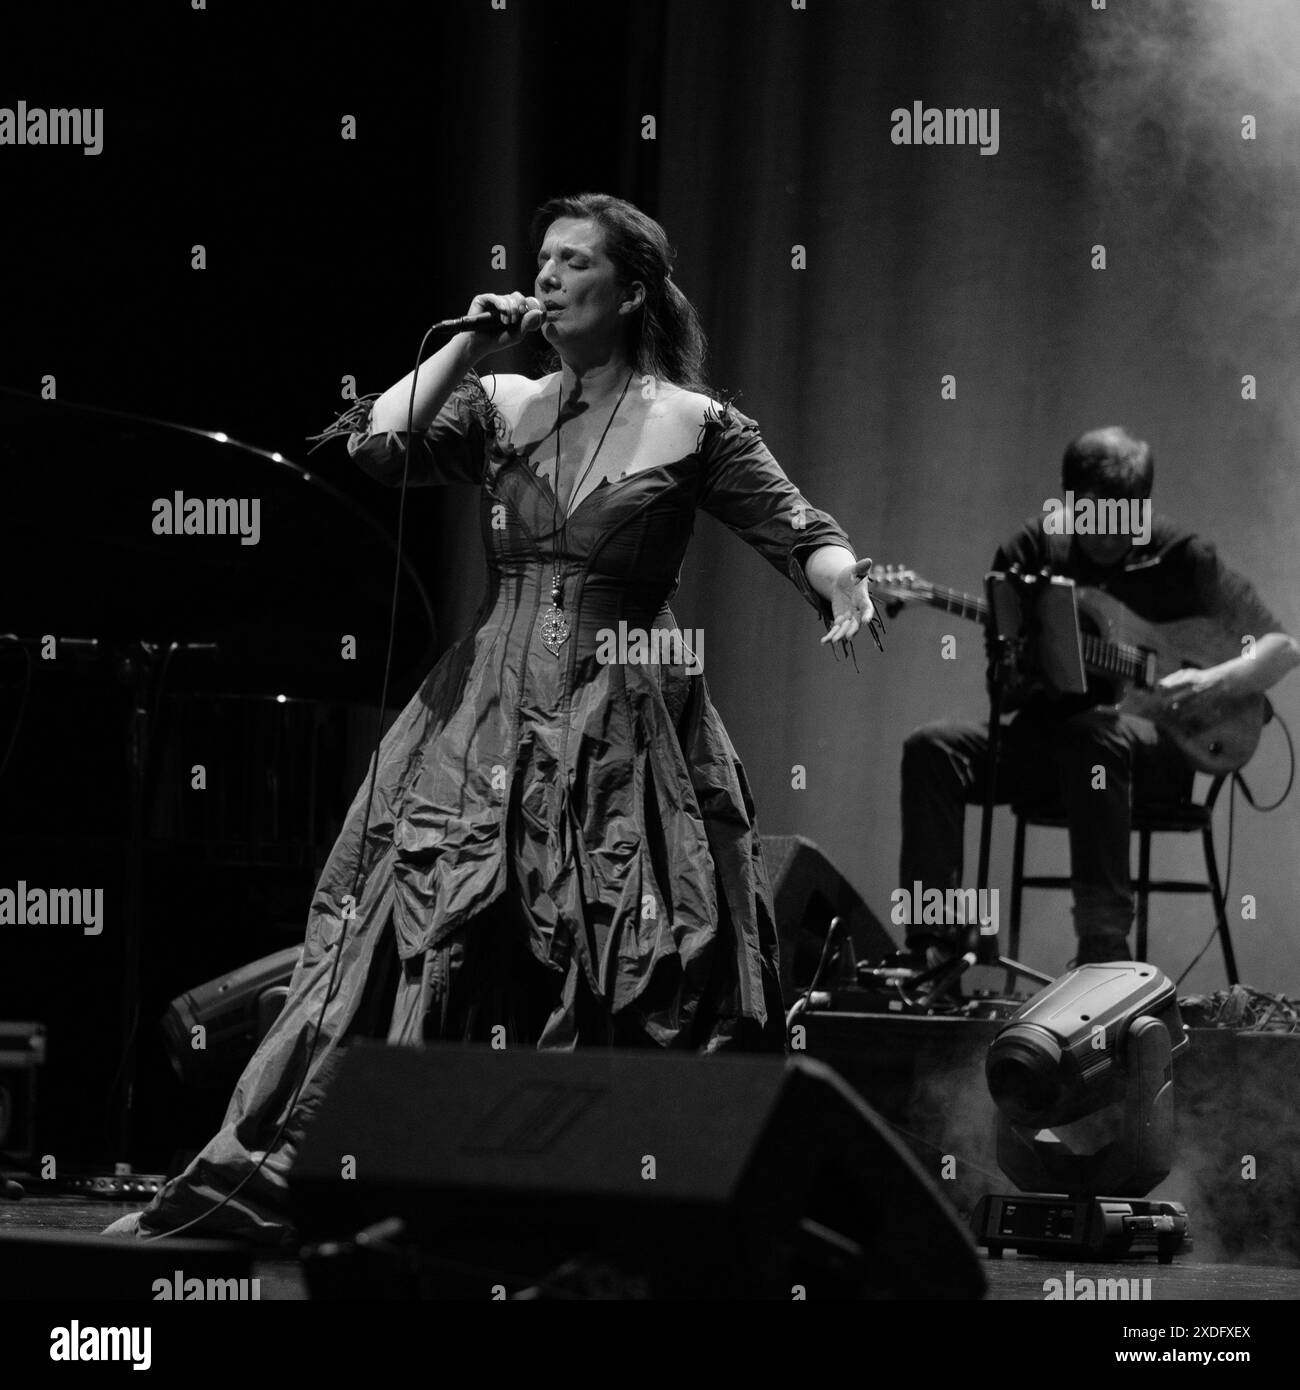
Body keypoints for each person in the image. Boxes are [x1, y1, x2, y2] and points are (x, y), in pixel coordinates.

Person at [103, 192, 878, 1245]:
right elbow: (378, 442)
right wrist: (467, 336)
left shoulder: (695, 423)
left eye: (574, 263)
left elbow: (798, 528)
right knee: (427, 926)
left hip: (622, 713)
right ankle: (361, 1180)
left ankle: (598, 1195)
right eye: (543, 259)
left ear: (633, 288)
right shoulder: (500, 397)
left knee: (628, 945)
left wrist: (842, 584)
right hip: (480, 710)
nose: (548, 276)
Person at [899, 425, 1299, 969]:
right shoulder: (1031, 551)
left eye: (1128, 513)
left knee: (1095, 736)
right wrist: (1032, 668)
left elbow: (1281, 648)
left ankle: (1103, 954)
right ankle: (933, 949)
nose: (1113, 531)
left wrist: (1212, 681)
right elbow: (1004, 693)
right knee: (932, 749)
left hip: (1149, 760)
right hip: (1047, 752)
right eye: (1097, 512)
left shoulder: (1183, 557)